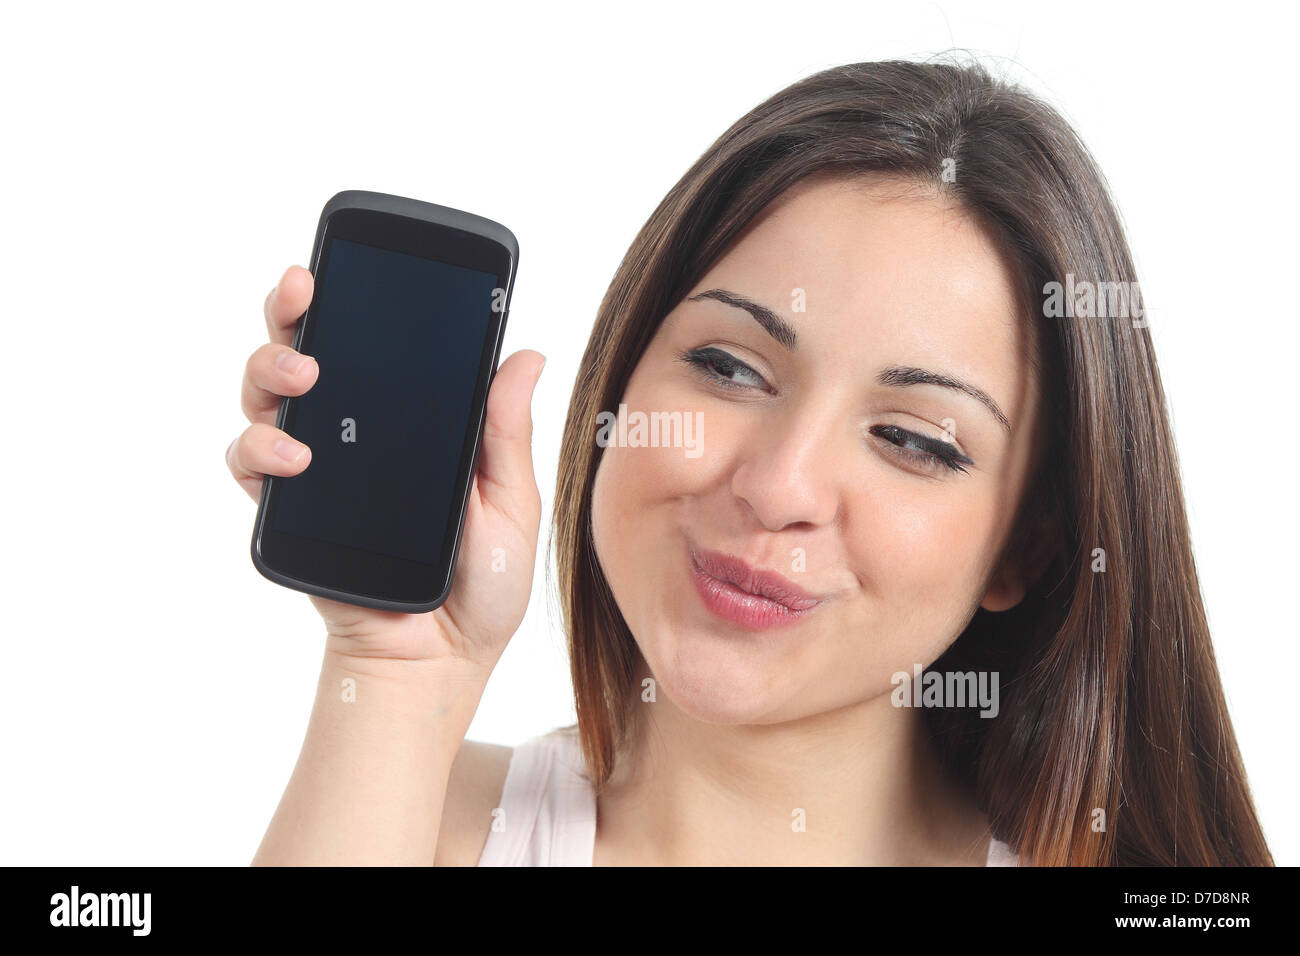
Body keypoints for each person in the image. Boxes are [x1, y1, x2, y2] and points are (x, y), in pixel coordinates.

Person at [228, 57, 1273, 866]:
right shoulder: (412, 821)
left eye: (912, 438)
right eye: (727, 366)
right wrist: (398, 669)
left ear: (1024, 548)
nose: (777, 484)